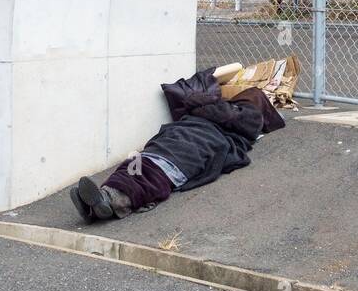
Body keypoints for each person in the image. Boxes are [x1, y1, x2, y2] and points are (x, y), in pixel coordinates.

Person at [69, 65, 285, 222]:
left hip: (204, 139)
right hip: (181, 133)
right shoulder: (223, 106)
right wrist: (213, 105)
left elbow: (234, 121)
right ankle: (102, 198)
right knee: (138, 161)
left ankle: (111, 201)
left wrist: (214, 106)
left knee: (160, 168)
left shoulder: (248, 113)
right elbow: (193, 103)